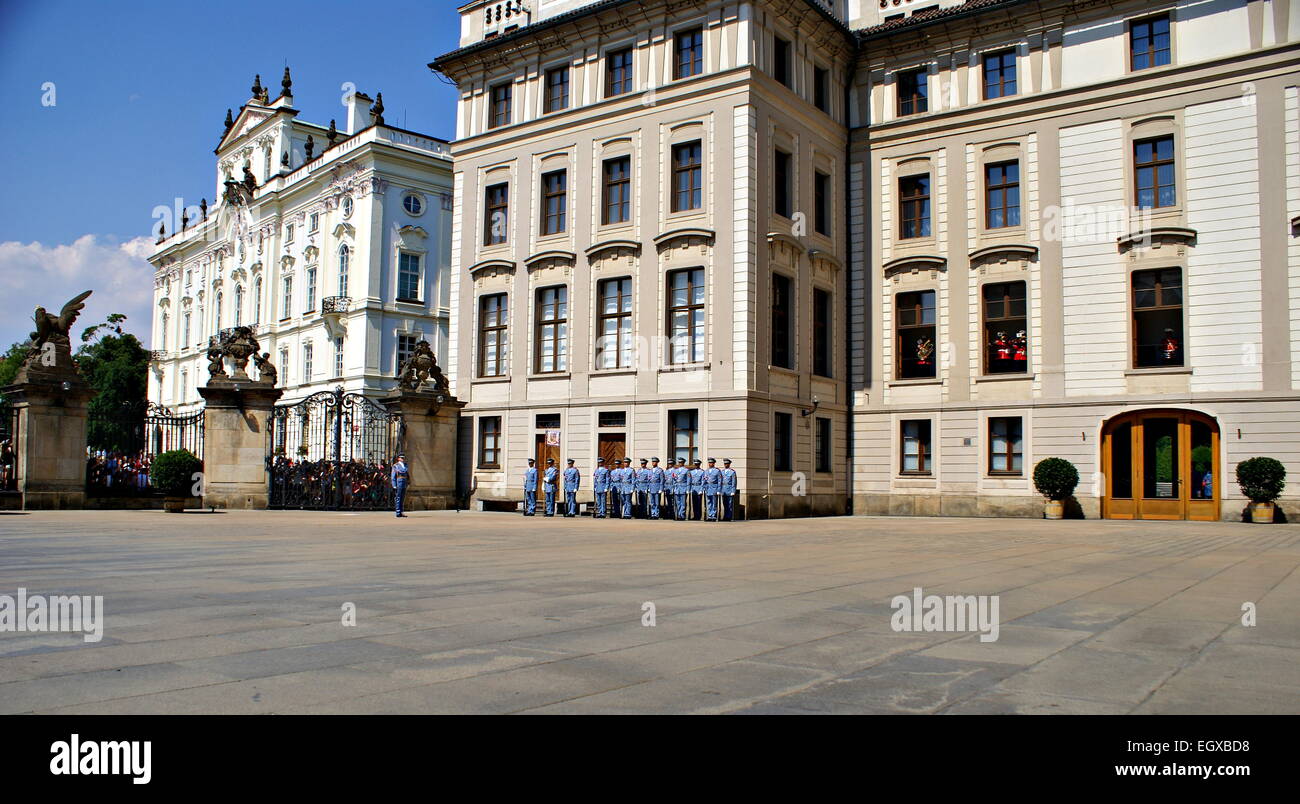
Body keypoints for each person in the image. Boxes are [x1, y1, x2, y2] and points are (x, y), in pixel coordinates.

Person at [391, 453, 410, 518]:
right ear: (398, 458)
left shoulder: (405, 465)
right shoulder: (395, 466)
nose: (403, 459)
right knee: (398, 498)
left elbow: (407, 474)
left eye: (403, 458)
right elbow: (393, 476)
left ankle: (401, 512)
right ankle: (398, 512)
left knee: (402, 498)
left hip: (404, 482)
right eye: (401, 458)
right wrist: (394, 485)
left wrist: (408, 482)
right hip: (399, 481)